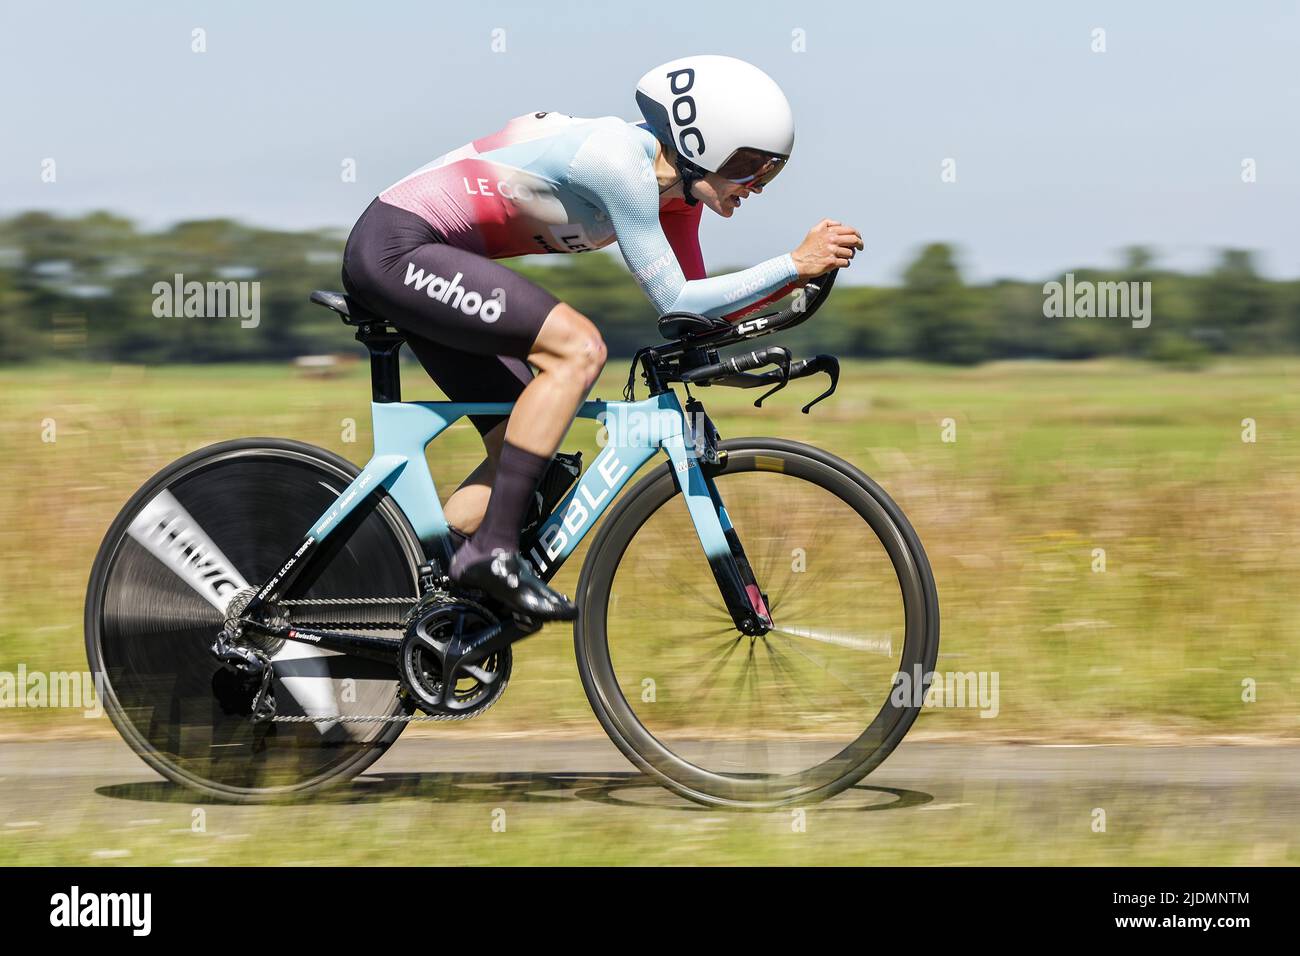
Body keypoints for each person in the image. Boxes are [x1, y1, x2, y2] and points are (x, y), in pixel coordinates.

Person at [340, 54, 863, 622]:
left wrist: (751, 358)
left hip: (438, 264)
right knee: (579, 349)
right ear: (699, 142)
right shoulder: (618, 162)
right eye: (749, 165)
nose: (757, 185)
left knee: (532, 463)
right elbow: (678, 299)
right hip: (396, 250)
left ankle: (406, 600)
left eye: (771, 171)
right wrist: (793, 264)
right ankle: (491, 554)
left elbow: (691, 319)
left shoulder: (678, 202)